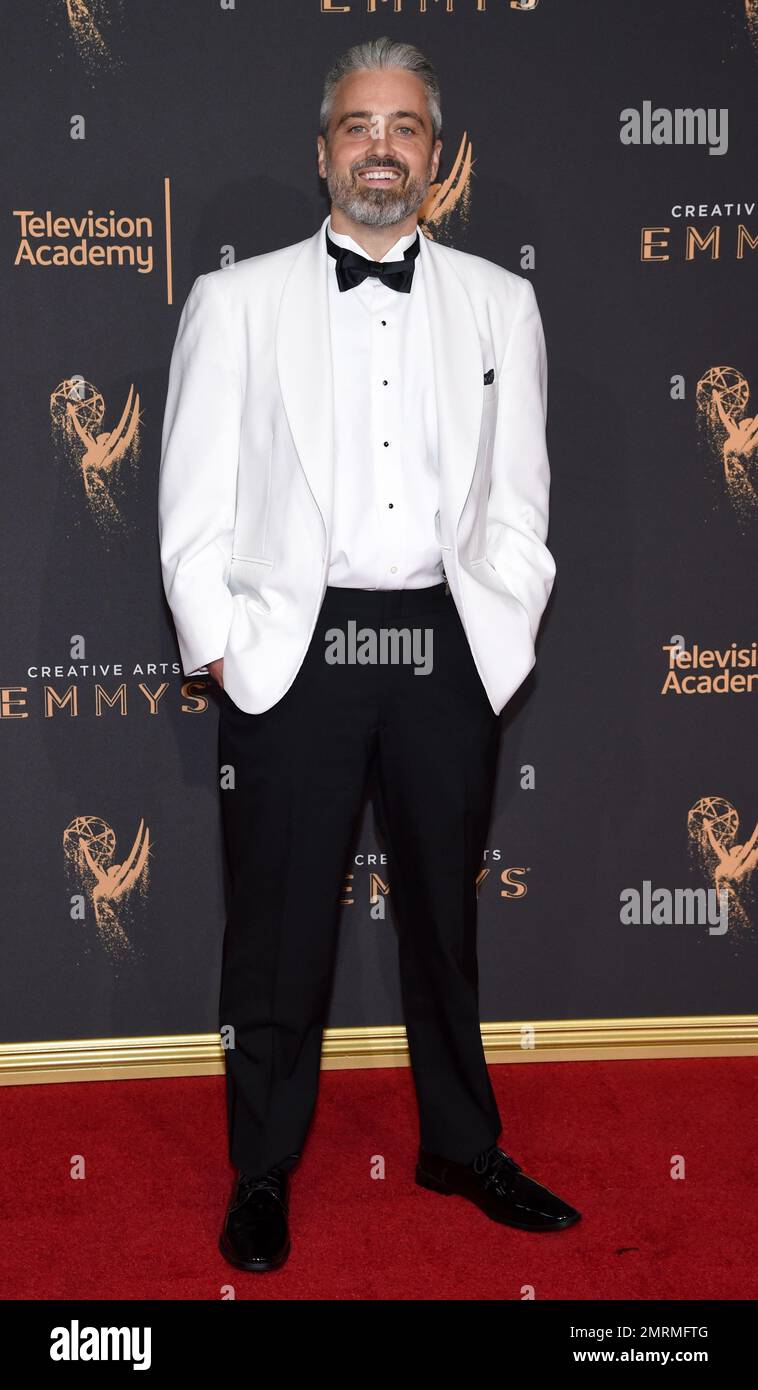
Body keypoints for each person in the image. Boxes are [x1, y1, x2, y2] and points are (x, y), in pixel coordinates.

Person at [158, 35, 580, 1274]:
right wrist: (226, 648)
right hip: (296, 646)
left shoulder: (503, 302)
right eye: (357, 125)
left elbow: (519, 499)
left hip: (444, 642)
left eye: (403, 127)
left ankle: (459, 1144)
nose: (380, 147)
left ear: (434, 156)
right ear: (323, 149)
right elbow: (190, 506)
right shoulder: (235, 302)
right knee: (277, 928)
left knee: (443, 921)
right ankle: (262, 1171)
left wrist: (494, 628)